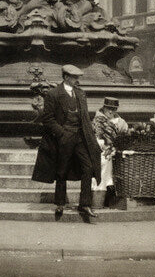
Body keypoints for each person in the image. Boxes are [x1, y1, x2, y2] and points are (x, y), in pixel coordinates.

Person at [31, 64, 102, 222]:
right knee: (61, 170)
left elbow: (84, 117)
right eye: (74, 77)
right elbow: (47, 119)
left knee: (88, 167)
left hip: (80, 137)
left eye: (77, 78)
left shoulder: (80, 94)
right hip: (63, 138)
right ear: (65, 77)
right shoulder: (53, 94)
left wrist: (90, 135)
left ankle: (85, 204)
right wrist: (61, 133)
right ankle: (60, 203)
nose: (77, 80)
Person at [92, 97, 128, 206]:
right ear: (103, 108)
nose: (111, 111)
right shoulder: (97, 121)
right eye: (108, 108)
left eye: (114, 109)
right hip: (101, 153)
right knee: (100, 176)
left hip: (114, 153)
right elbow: (95, 138)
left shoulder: (120, 122)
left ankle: (110, 202)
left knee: (112, 177)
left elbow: (125, 134)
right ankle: (97, 203)